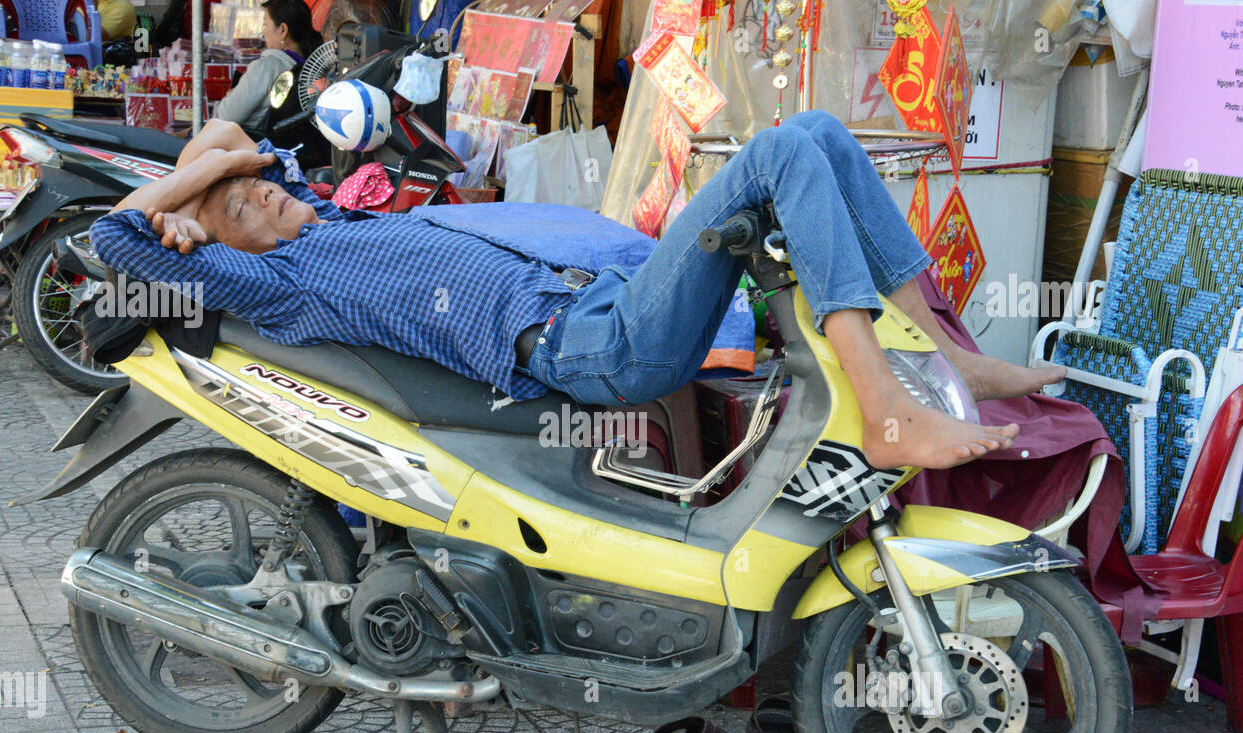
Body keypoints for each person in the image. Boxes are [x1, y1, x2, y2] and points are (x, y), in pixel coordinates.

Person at [90, 114, 1064, 471]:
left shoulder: (325, 215)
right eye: (234, 208)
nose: (251, 189)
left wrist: (233, 165)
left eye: (257, 182)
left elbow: (220, 138)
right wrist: (180, 210)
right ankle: (886, 410)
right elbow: (109, 235)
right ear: (224, 247)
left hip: (597, 305)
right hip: (585, 345)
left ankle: (937, 342)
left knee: (819, 133)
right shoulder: (280, 280)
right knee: (774, 154)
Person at [214, 0, 323, 134]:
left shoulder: (267, 67)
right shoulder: (317, 69)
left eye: (265, 25)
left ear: (283, 30)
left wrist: (232, 95)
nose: (263, 33)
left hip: (255, 146)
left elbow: (227, 115)